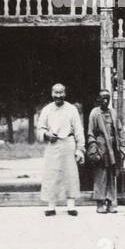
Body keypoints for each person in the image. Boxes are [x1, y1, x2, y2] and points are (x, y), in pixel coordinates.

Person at [37, 83, 84, 216]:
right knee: (52, 175)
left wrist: (80, 149)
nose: (58, 95)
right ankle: (51, 206)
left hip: (68, 144)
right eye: (56, 93)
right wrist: (47, 134)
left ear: (65, 93)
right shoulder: (46, 109)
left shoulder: (71, 109)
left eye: (61, 92)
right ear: (52, 93)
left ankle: (71, 206)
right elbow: (40, 128)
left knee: (70, 174)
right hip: (53, 145)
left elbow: (79, 130)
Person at [87, 90, 125, 214]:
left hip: (113, 148)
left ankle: (111, 202)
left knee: (111, 175)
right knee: (101, 175)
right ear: (98, 99)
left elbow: (120, 130)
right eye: (103, 98)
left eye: (107, 98)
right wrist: (94, 148)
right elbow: (90, 133)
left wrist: (121, 146)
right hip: (101, 148)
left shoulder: (113, 113)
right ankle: (100, 203)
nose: (105, 101)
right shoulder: (94, 113)